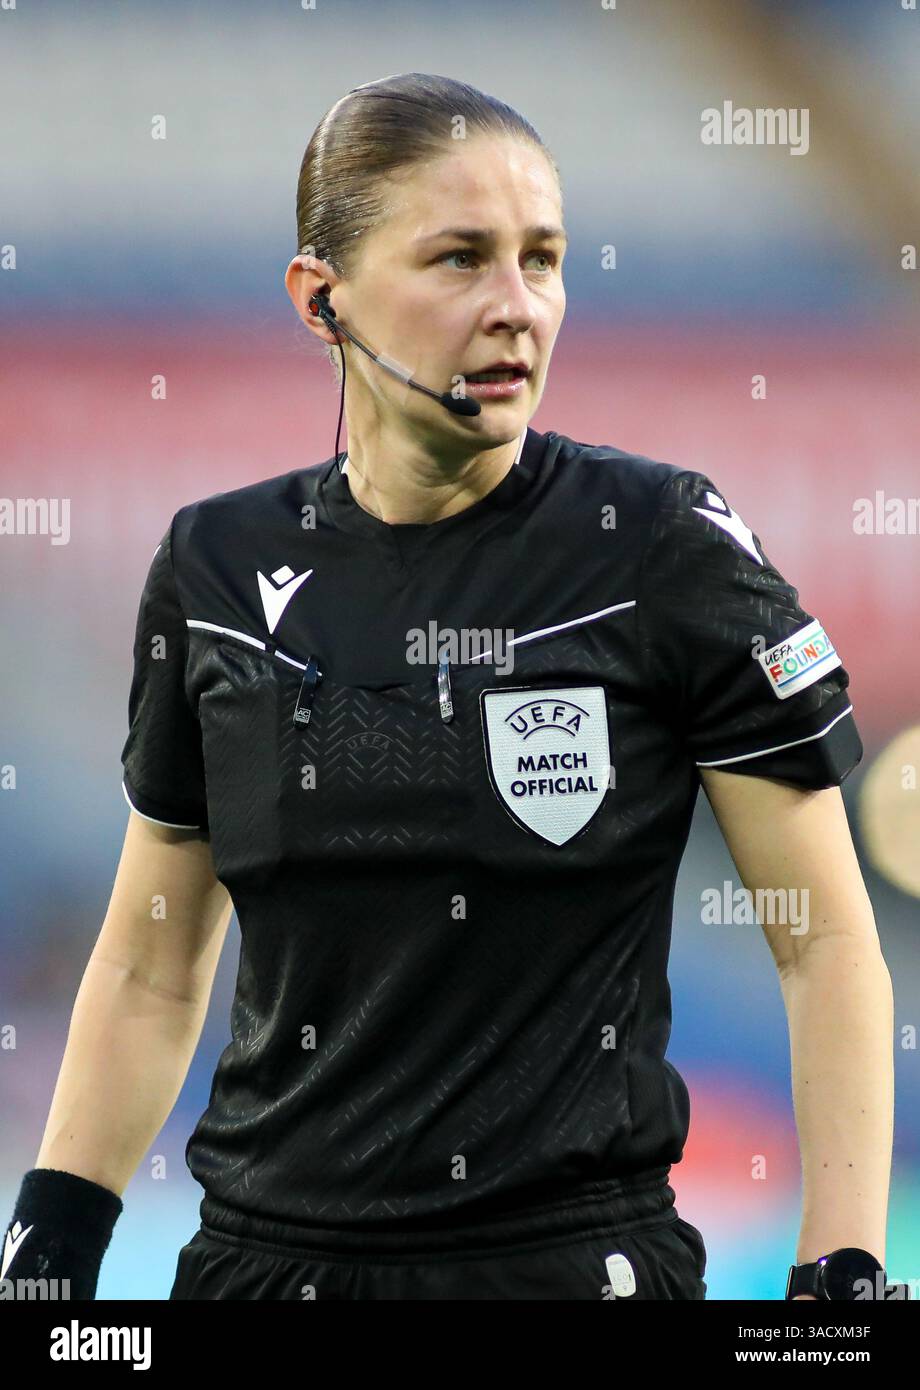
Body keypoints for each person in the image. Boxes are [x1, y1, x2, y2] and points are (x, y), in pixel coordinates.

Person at [3, 73, 894, 1303]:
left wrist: (843, 1262)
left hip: (575, 1273)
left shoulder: (661, 545)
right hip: (261, 1275)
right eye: (460, 259)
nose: (515, 309)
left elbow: (823, 942)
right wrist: (52, 1239)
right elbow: (152, 965)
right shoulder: (210, 566)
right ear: (322, 300)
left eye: (543, 259)